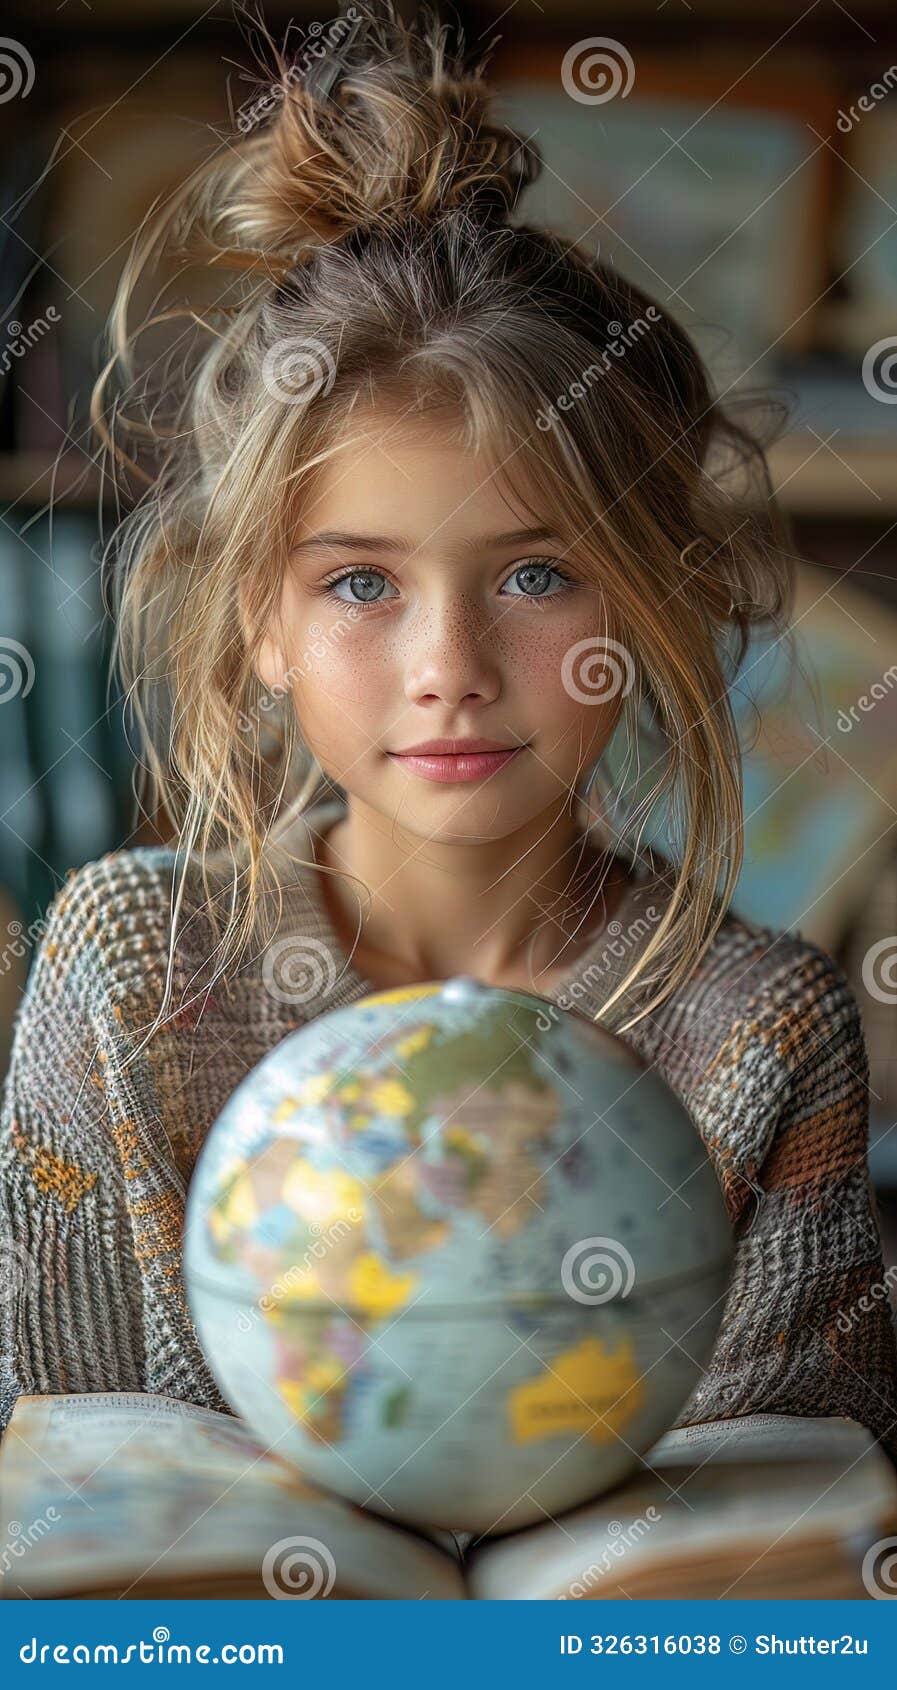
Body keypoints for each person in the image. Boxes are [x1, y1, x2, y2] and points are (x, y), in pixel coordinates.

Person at [2, 2, 895, 1471]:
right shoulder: (126, 974)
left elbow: (777, 1539)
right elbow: (55, 1481)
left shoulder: (761, 1026)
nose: (451, 670)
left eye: (538, 575)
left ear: (659, 592)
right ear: (258, 625)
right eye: (359, 582)